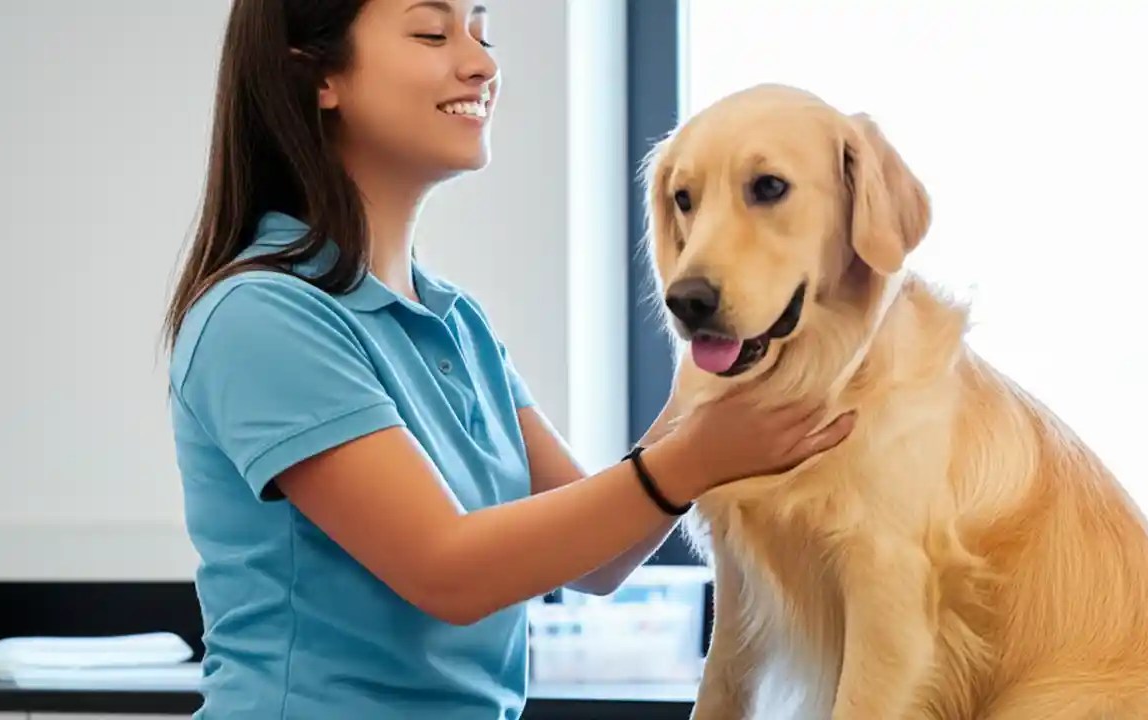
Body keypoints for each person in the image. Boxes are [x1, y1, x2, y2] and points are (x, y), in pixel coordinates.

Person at [161, 0, 856, 718]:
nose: (482, 63)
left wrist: (706, 388)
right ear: (315, 76)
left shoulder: (455, 323)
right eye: (433, 33)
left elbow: (596, 562)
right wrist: (698, 457)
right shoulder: (261, 316)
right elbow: (447, 572)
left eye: (481, 32)